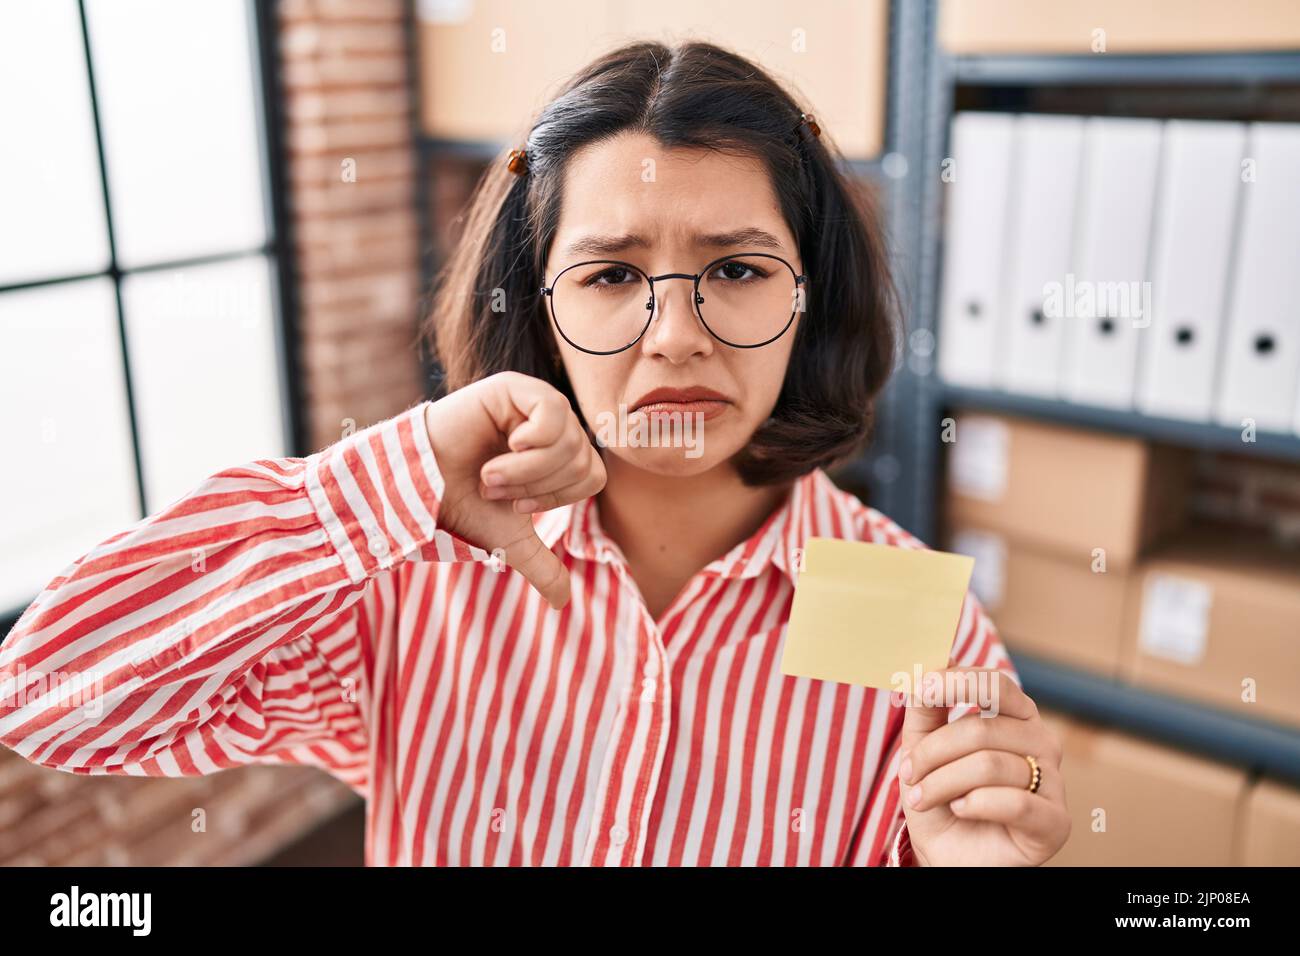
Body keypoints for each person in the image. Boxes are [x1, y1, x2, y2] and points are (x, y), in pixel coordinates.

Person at [0, 40, 1068, 866]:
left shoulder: (896, 610)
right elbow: (48, 692)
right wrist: (393, 465)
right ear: (537, 307)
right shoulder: (411, 572)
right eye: (609, 275)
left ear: (812, 299)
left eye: (737, 268)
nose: (675, 333)